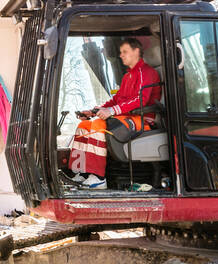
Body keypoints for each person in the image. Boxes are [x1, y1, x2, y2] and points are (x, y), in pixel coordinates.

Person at [66, 36, 161, 189]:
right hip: (127, 117)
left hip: (142, 120)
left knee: (97, 126)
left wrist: (112, 111)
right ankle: (82, 172)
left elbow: (140, 100)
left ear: (137, 51)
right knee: (84, 125)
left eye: (125, 51)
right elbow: (116, 99)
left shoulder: (146, 72)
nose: (121, 55)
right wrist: (93, 111)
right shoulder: (128, 76)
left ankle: (98, 177)